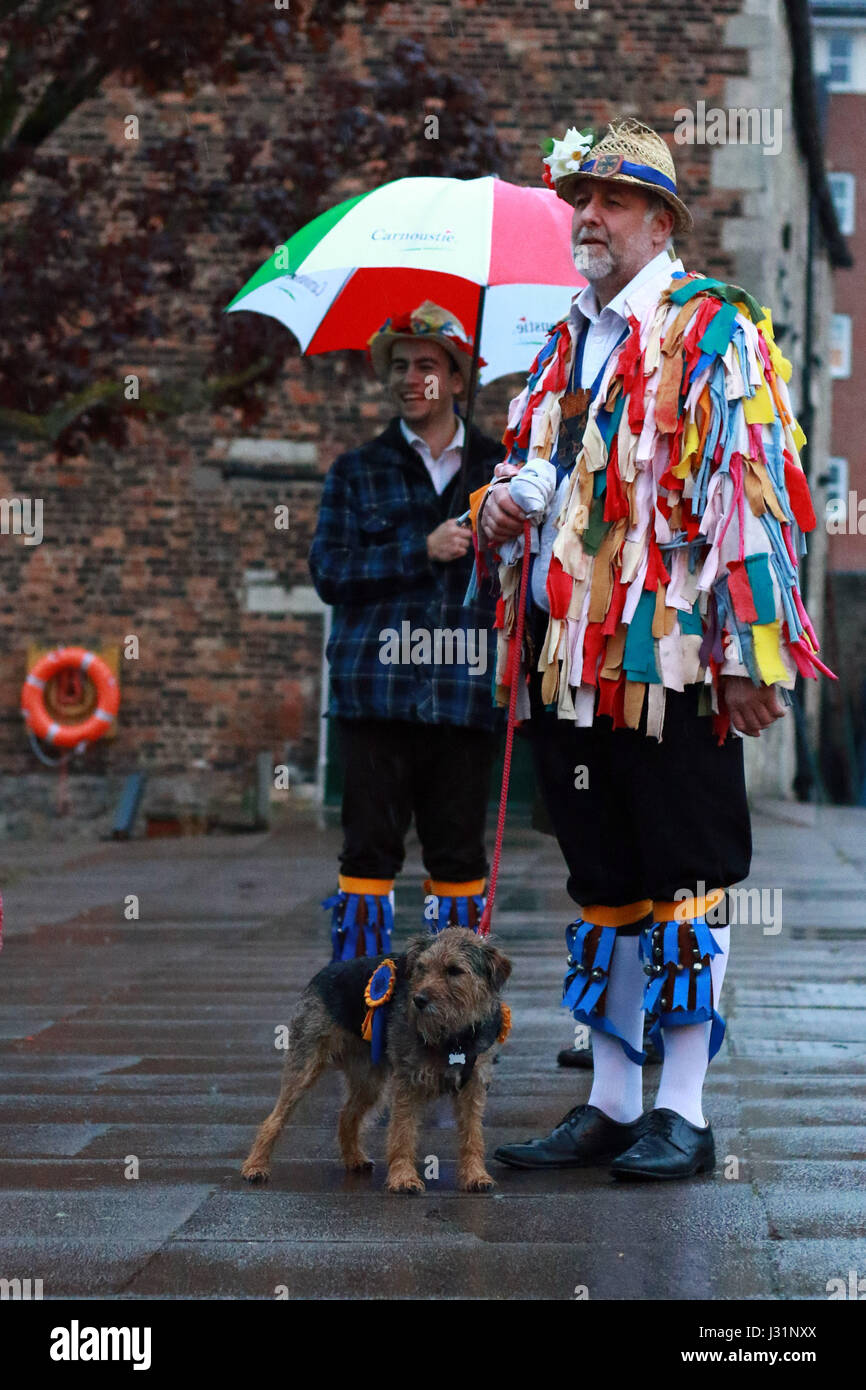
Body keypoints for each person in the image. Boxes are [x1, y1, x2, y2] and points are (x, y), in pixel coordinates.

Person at [473, 119, 831, 1179]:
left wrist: (743, 651)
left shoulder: (710, 328)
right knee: (602, 878)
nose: (586, 216)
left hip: (667, 654)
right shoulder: (558, 344)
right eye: (578, 198)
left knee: (684, 871)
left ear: (660, 221)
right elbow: (544, 490)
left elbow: (749, 491)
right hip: (565, 658)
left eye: (612, 201)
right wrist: (505, 508)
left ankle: (683, 1106)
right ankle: (611, 1100)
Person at [309, 300, 504, 962]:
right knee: (367, 853)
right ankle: (358, 1007)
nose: (409, 377)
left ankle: (455, 1011)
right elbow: (331, 573)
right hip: (377, 695)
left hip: (464, 693)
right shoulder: (356, 471)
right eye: (399, 366)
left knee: (458, 855)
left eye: (427, 364)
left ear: (456, 379)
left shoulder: (502, 474)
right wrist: (422, 549)